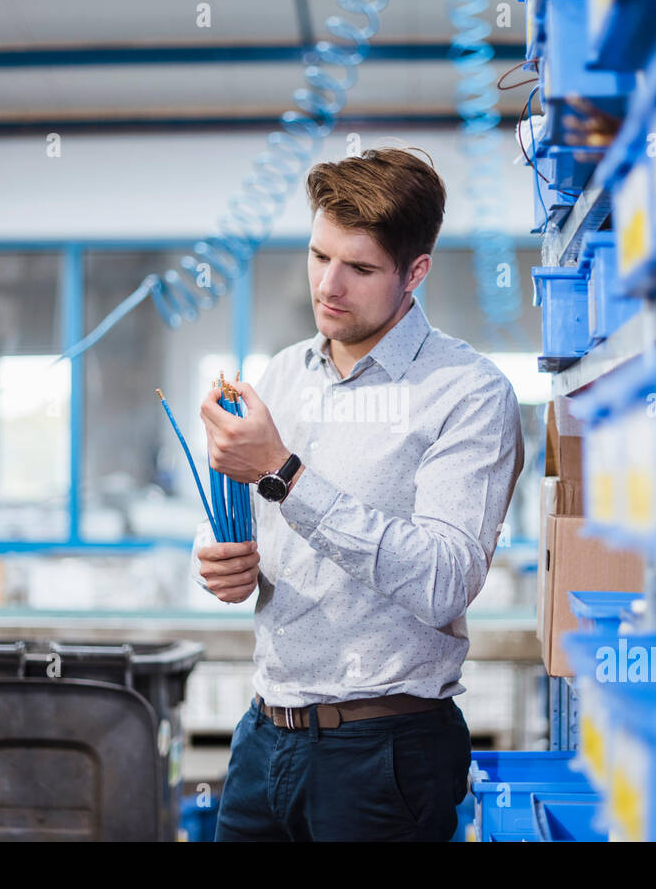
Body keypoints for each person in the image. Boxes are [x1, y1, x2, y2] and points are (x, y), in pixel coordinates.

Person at [192, 147, 524, 841]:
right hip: (263, 736)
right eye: (318, 256)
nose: (328, 286)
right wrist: (221, 558)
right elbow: (251, 529)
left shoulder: (467, 392)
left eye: (361, 267)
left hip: (385, 754)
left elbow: (443, 582)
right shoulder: (282, 376)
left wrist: (285, 474)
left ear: (416, 272)